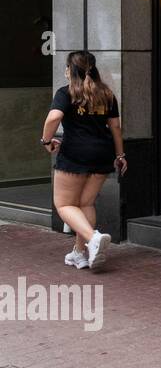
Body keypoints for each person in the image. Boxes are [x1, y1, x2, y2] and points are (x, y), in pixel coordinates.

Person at [40, 51, 126, 271]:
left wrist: (46, 140)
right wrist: (120, 155)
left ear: (71, 70)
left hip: (75, 154)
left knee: (64, 204)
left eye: (66, 67)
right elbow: (115, 127)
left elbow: (53, 117)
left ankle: (92, 237)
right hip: (103, 153)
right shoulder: (106, 94)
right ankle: (79, 253)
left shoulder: (66, 92)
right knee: (85, 204)